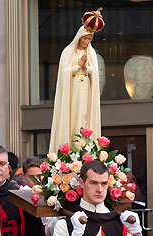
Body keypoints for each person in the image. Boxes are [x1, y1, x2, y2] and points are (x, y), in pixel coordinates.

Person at [48, 8, 103, 154]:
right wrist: (78, 66)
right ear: (79, 37)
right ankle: (71, 148)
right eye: (85, 38)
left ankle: (86, 149)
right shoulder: (68, 52)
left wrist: (87, 67)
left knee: (85, 117)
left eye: (89, 39)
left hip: (86, 89)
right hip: (73, 91)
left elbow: (95, 72)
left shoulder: (91, 53)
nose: (86, 42)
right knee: (73, 117)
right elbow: (64, 73)